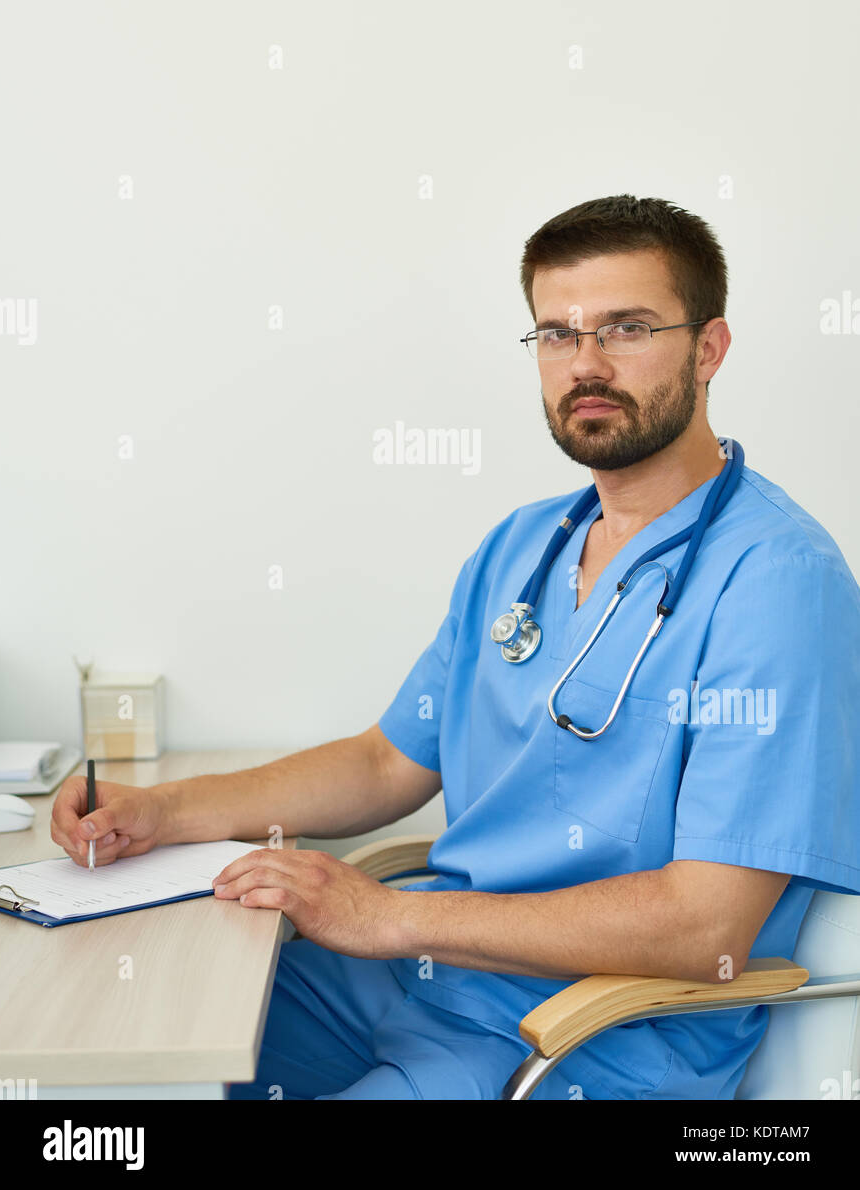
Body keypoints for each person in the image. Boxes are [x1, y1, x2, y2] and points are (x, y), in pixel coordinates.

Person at [52, 195, 860, 1100]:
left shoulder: (779, 581)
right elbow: (384, 763)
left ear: (708, 348)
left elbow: (701, 926)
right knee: (155, 1028)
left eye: (626, 328)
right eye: (556, 334)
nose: (585, 365)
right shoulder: (522, 548)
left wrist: (387, 915)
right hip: (426, 972)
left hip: (586, 1031)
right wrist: (166, 812)